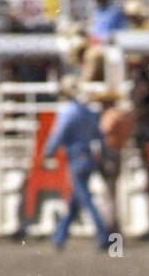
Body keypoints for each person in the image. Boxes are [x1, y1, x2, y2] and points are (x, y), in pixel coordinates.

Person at [43, 82, 110, 251]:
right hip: (89, 157)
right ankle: (59, 236)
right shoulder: (89, 112)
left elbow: (58, 134)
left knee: (85, 198)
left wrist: (48, 152)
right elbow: (99, 136)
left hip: (76, 157)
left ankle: (102, 235)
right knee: (76, 199)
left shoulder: (67, 112)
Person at [98, 88, 131, 238]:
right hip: (117, 152)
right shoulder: (121, 116)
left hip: (109, 153)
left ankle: (110, 229)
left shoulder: (110, 116)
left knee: (108, 193)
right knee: (112, 192)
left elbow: (104, 131)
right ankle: (114, 227)